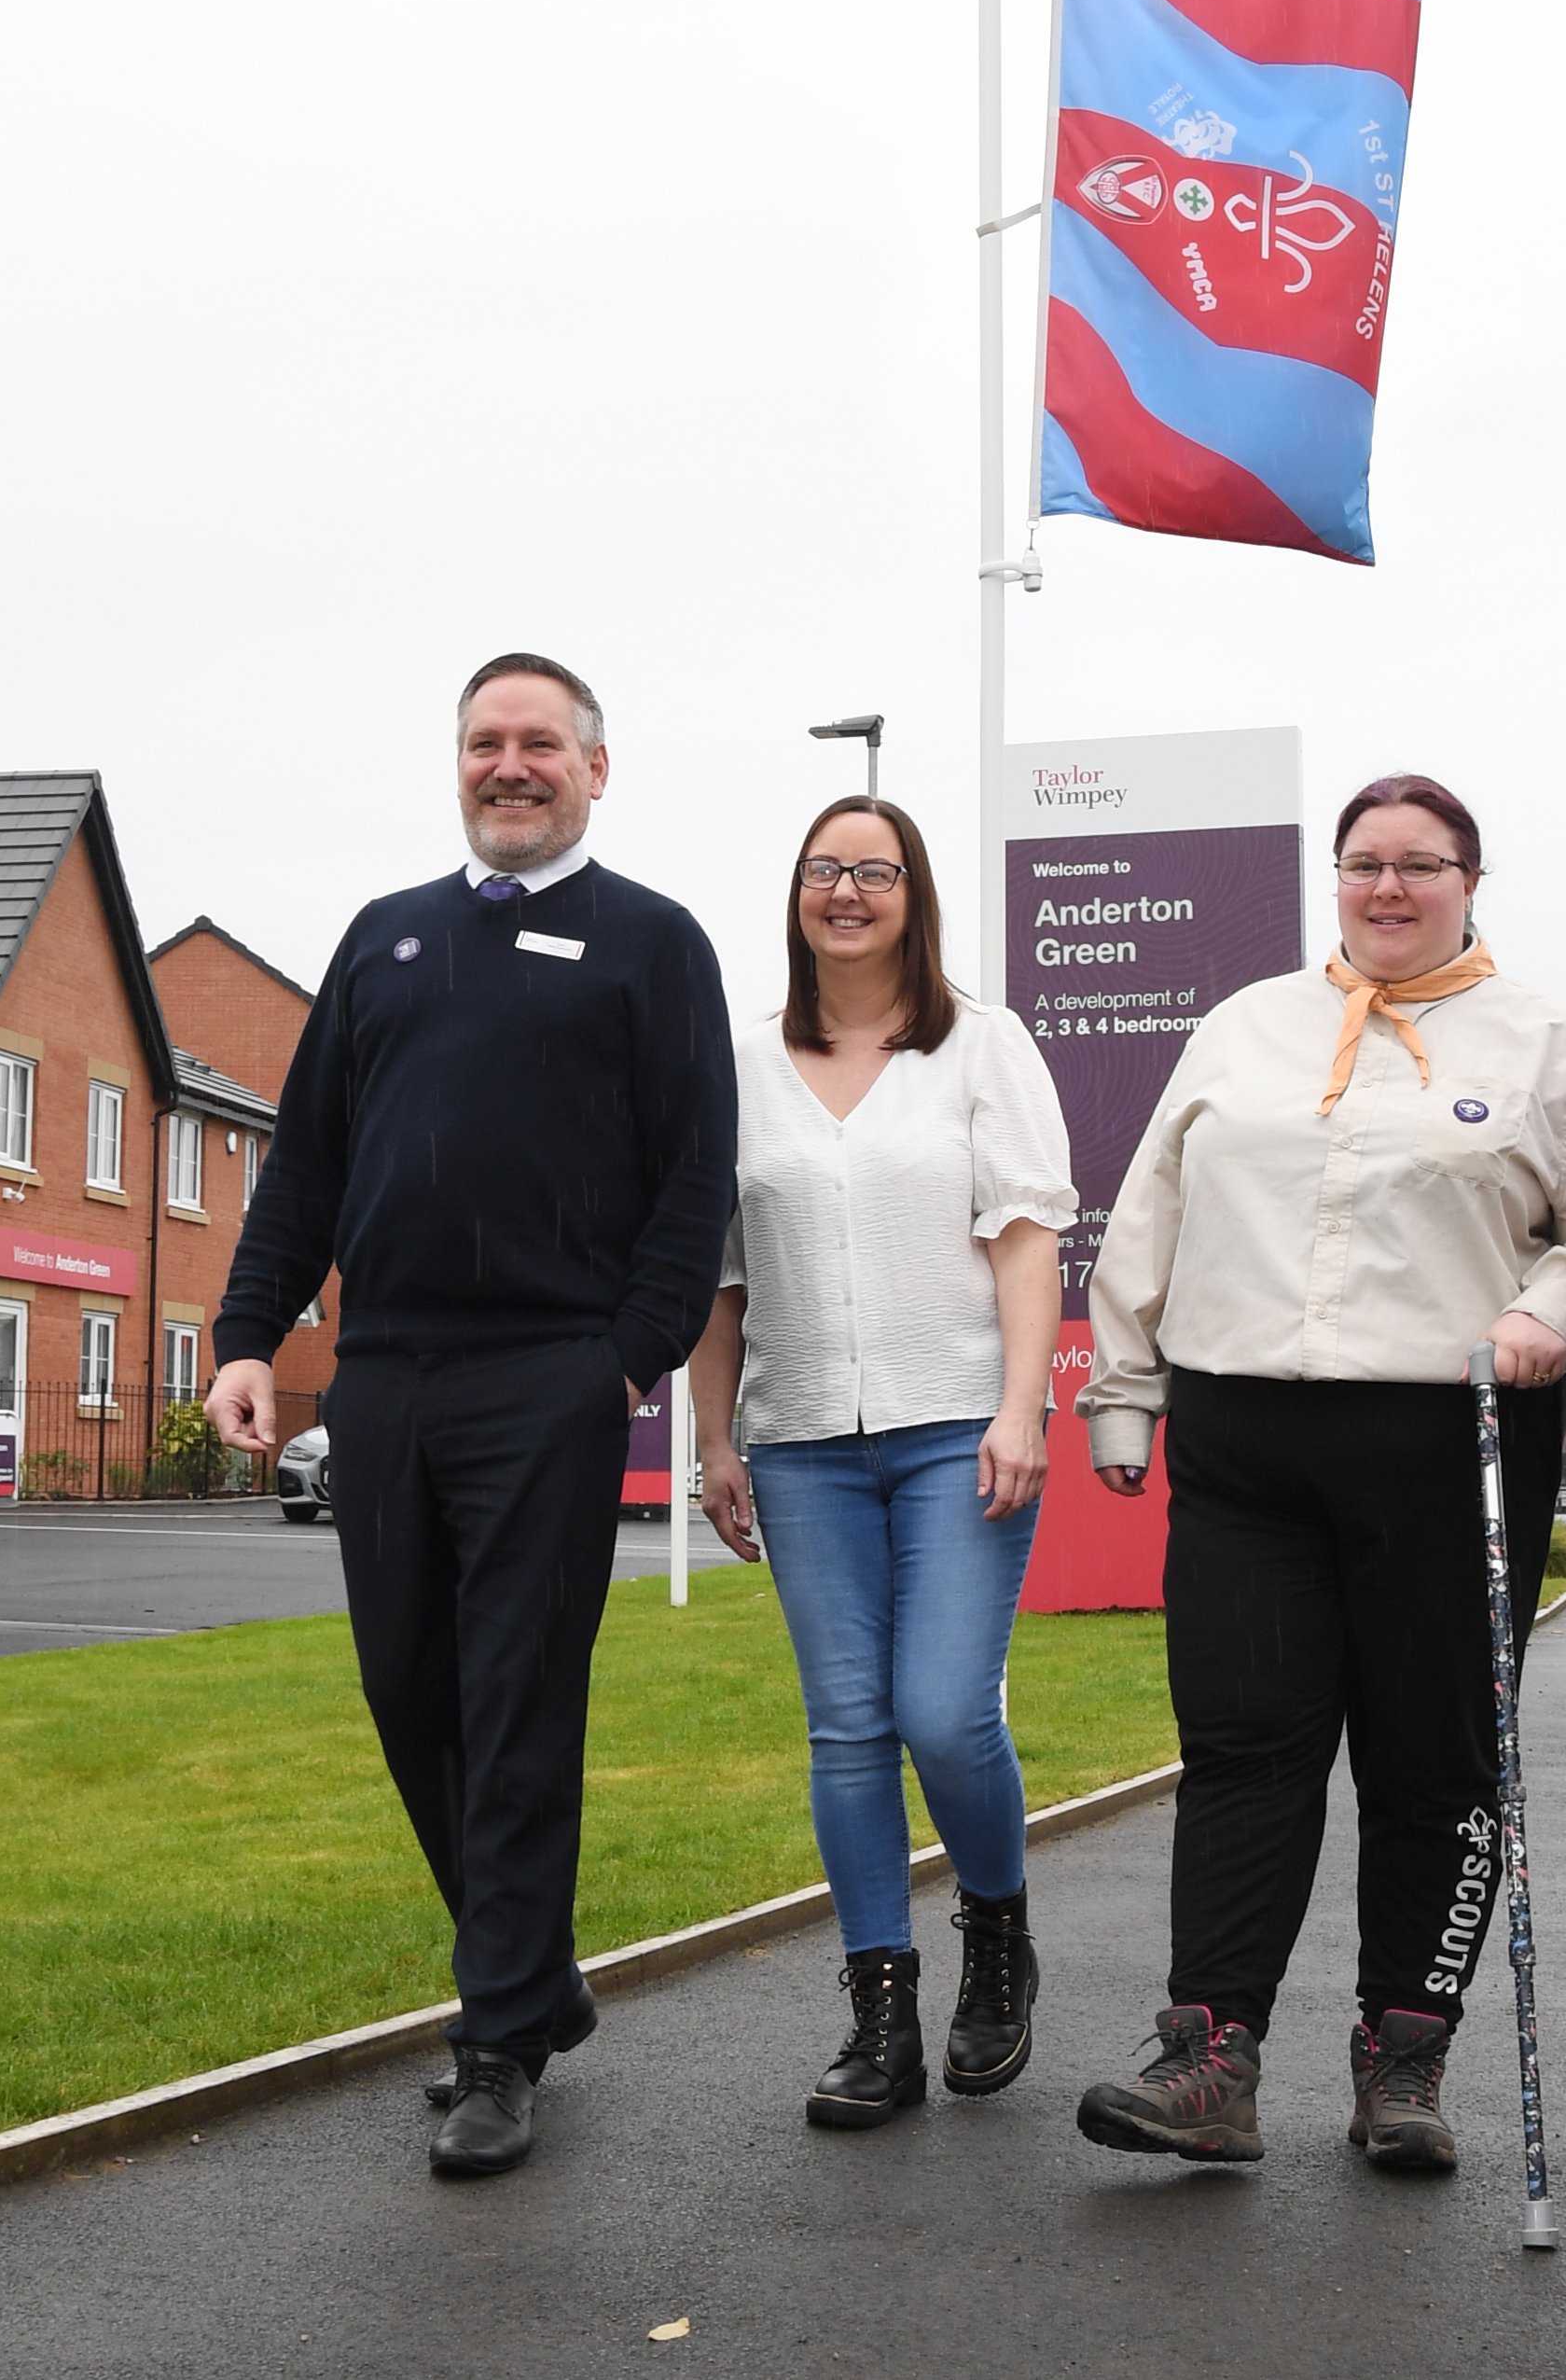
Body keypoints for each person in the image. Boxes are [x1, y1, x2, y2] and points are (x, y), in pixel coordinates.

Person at [208, 653, 737, 2179]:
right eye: (486, 742)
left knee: (517, 1700)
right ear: (458, 764)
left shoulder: (653, 942)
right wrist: (248, 1336)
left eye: (541, 743)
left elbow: (694, 1176)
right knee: (410, 1691)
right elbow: (306, 1162)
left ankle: (500, 2034)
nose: (511, 765)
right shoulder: (385, 937)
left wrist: (622, 1362)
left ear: (595, 767)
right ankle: (538, 1973)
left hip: (550, 1378)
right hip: (387, 1378)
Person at [1070, 773, 1566, 2173]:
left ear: (1470, 882)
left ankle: (1403, 2062)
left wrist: (1553, 1307)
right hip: (1246, 1441)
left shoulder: (1549, 1040)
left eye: (1420, 865)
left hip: (1450, 1443)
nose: (1388, 888)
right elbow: (1152, 1206)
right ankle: (1210, 2059)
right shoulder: (1247, 1025)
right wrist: (1123, 1395)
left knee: (1435, 1762)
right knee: (1243, 1747)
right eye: (1364, 863)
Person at [684, 796, 1075, 2130]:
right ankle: (880, 2014)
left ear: (915, 896)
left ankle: (999, 1934)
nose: (846, 890)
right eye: (823, 868)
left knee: (944, 1712)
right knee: (847, 1726)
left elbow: (1027, 1236)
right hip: (802, 1443)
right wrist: (717, 1437)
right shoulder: (740, 1062)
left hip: (958, 1423)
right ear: (796, 893)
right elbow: (721, 1273)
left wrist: (1022, 1407)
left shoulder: (981, 1045)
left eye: (875, 870)